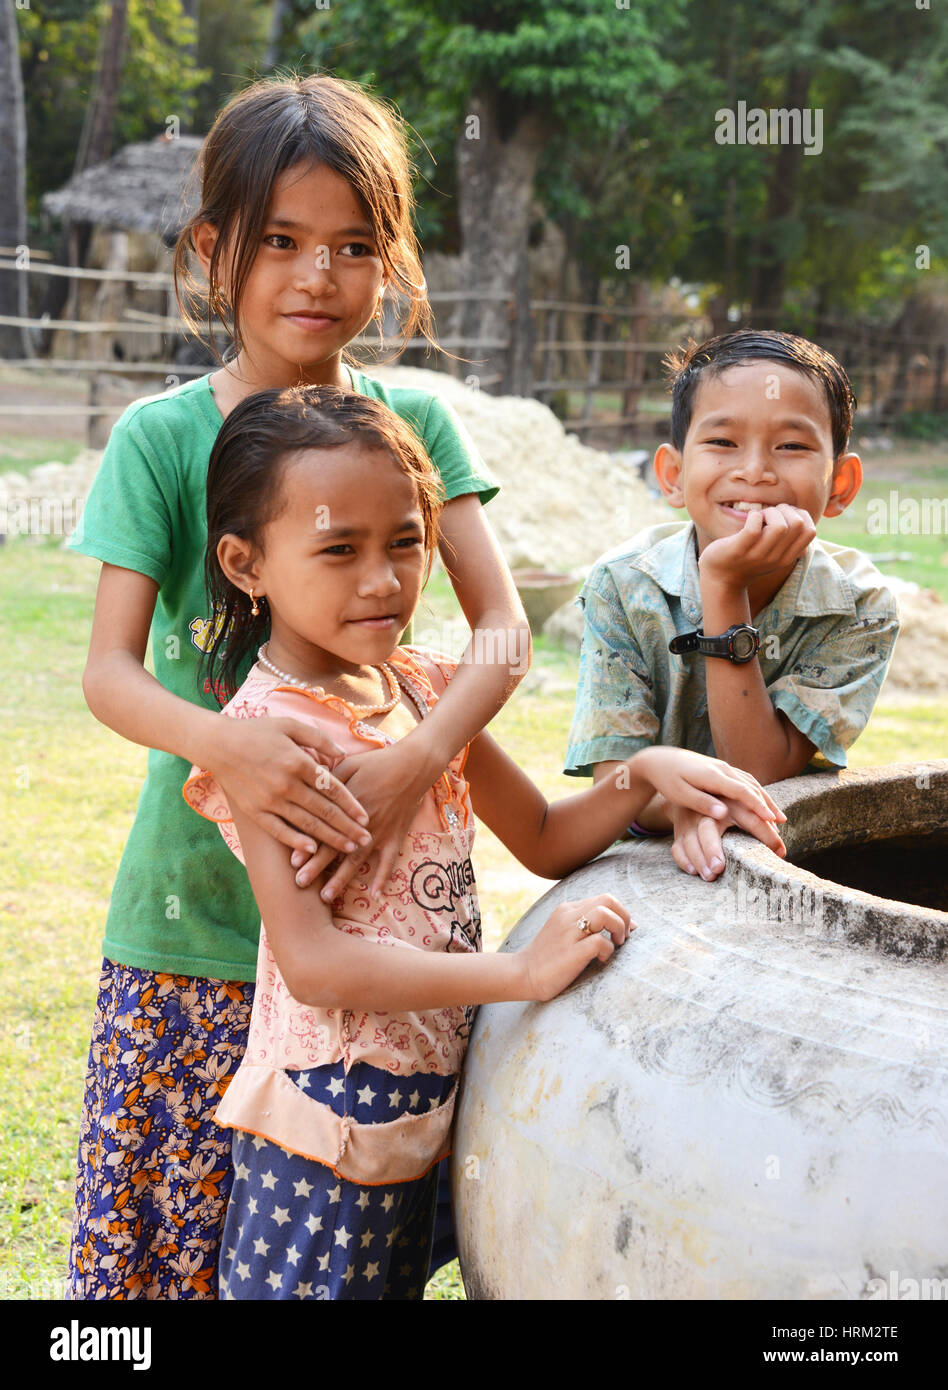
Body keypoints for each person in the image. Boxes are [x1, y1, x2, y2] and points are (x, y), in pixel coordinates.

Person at [66, 73, 532, 1300]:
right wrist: (233, 747)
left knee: (335, 1265)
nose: (317, 276)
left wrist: (411, 763)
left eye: (352, 246)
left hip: (372, 950)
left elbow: (499, 631)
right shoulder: (163, 441)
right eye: (281, 241)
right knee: (157, 1267)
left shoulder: (415, 420)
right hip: (197, 934)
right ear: (215, 247)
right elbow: (110, 674)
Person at [182, 383, 788, 1300]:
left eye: (406, 542)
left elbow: (543, 835)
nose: (383, 580)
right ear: (246, 562)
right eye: (338, 550)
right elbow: (315, 965)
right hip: (330, 1122)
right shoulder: (269, 739)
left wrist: (648, 770)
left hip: (440, 1096)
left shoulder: (424, 687)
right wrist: (520, 976)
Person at [564, 329, 900, 882]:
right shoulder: (624, 585)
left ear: (840, 484)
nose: (755, 471)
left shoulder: (860, 605)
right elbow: (617, 786)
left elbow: (758, 772)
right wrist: (682, 807)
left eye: (791, 446)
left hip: (786, 861)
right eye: (723, 443)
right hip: (643, 863)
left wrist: (721, 585)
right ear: (673, 475)